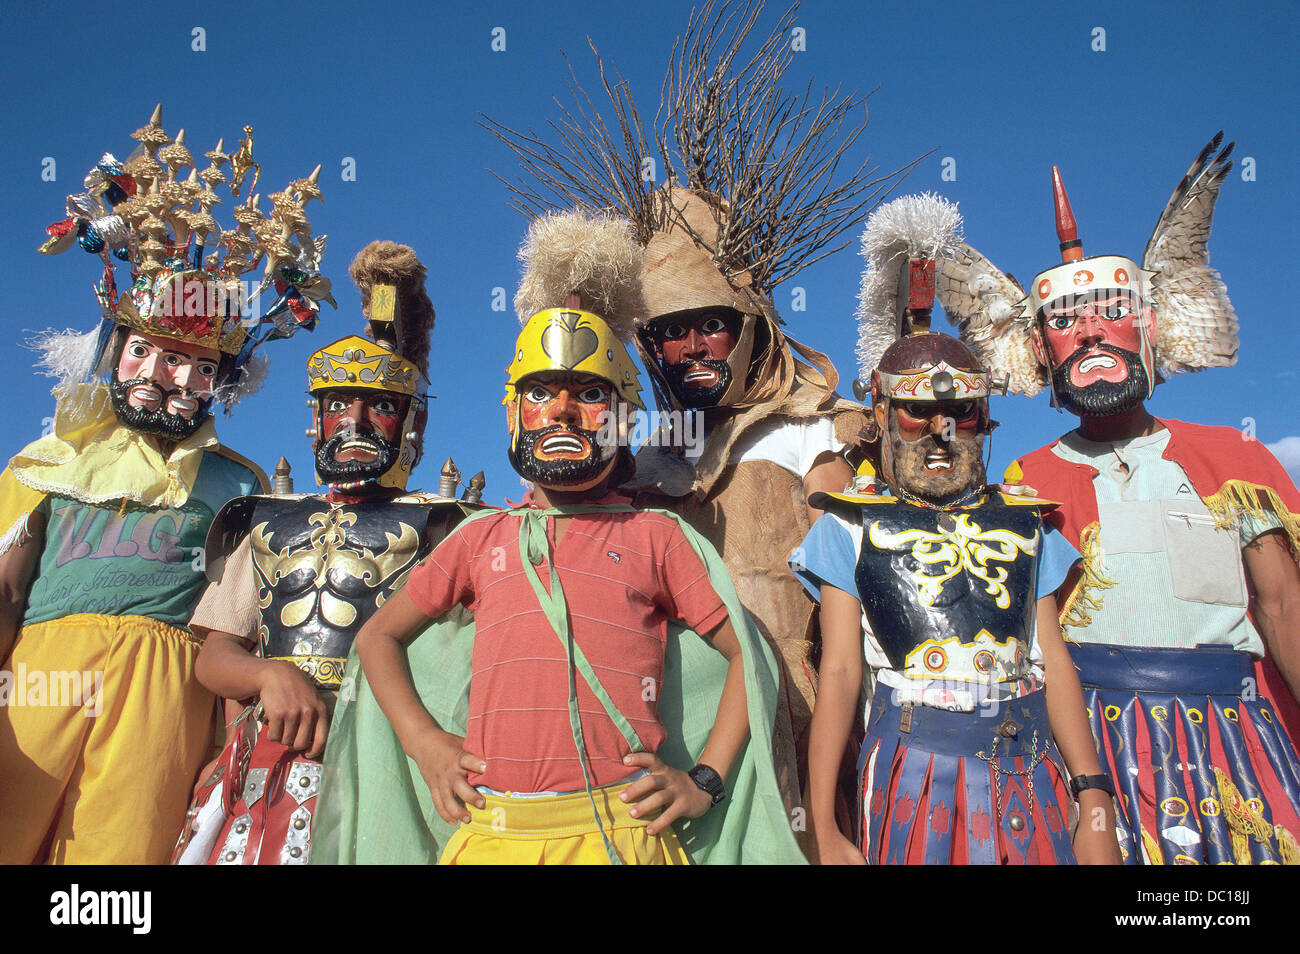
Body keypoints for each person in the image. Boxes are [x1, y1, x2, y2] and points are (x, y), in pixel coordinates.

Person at [486, 4, 912, 813]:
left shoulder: (811, 431)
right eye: (669, 335)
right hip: (681, 730)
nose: (691, 351)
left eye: (709, 326)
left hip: (807, 714)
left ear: (749, 328)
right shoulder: (647, 458)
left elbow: (862, 567)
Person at [314, 219, 803, 863]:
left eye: (590, 394)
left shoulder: (658, 535)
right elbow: (377, 636)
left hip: (624, 836)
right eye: (541, 392)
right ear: (514, 411)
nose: (563, 412)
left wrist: (705, 780)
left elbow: (747, 654)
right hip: (495, 837)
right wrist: (424, 742)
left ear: (624, 414)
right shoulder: (477, 536)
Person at [937, 133, 1300, 864]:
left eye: (1110, 310)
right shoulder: (1020, 487)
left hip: (1237, 732)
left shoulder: (1236, 457)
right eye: (1066, 321)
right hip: (1088, 753)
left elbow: (1285, 605)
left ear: (1153, 326)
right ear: (1039, 351)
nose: (1091, 330)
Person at [0, 106, 330, 863]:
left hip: (164, 696)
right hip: (37, 680)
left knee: (121, 862)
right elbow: (8, 589)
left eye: (193, 363)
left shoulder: (236, 485)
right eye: (151, 352)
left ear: (222, 381)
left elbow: (239, 619)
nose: (167, 377)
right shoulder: (44, 459)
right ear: (116, 351)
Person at [795, 195, 1120, 864]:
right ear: (882, 417)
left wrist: (1092, 798)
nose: (940, 431)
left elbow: (1052, 663)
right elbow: (841, 676)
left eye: (960, 413)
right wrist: (824, 825)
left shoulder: (1029, 525)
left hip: (1032, 770)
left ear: (984, 418)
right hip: (909, 771)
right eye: (918, 413)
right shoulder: (845, 528)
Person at [171, 242, 477, 865]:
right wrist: (268, 674)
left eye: (380, 406)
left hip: (392, 757)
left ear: (409, 424)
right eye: (338, 404)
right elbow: (216, 653)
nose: (355, 421)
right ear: (315, 419)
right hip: (271, 759)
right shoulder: (264, 519)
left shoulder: (447, 527)